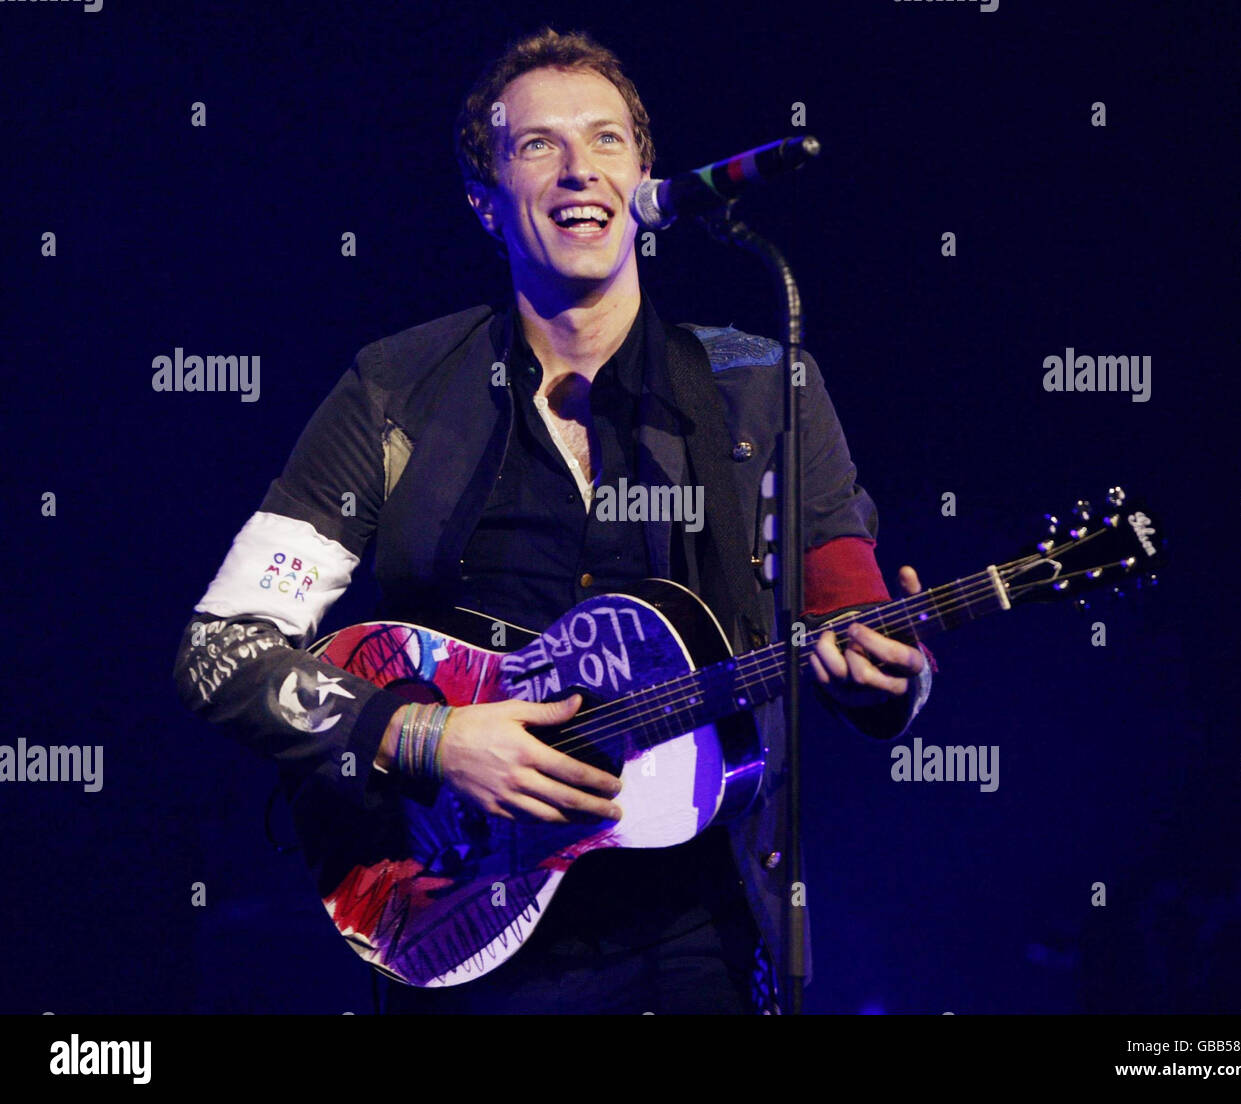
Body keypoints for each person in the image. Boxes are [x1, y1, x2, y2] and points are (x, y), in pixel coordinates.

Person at [173, 26, 933, 1015]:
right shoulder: (393, 391)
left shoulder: (759, 385)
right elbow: (221, 649)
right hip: (460, 928)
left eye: (607, 139)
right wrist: (425, 737)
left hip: (699, 935)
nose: (581, 169)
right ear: (484, 201)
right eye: (538, 144)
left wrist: (887, 669)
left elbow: (849, 606)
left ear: (645, 180)